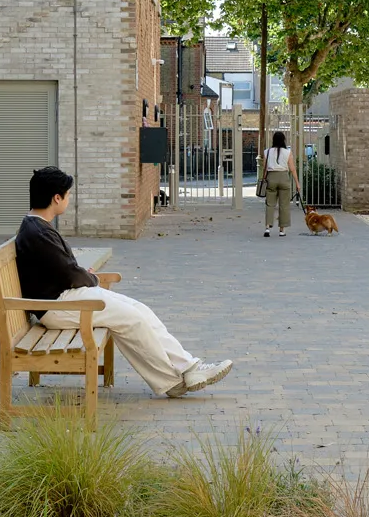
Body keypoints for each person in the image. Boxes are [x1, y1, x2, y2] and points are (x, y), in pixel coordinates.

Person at [15, 167, 232, 399]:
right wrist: (92, 278)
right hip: (57, 305)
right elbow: (69, 273)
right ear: (56, 198)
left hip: (66, 298)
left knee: (139, 310)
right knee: (131, 319)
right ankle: (171, 381)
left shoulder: (37, 227)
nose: (69, 199)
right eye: (68, 195)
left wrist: (84, 276)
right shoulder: (38, 232)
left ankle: (189, 368)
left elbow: (64, 270)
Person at [261, 130, 300, 239]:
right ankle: (282, 230)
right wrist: (297, 183)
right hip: (284, 177)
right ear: (283, 140)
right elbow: (292, 169)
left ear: (273, 140)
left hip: (271, 177)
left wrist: (264, 179)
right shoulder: (288, 152)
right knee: (284, 205)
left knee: (270, 204)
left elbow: (264, 168)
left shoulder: (267, 152)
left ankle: (267, 227)